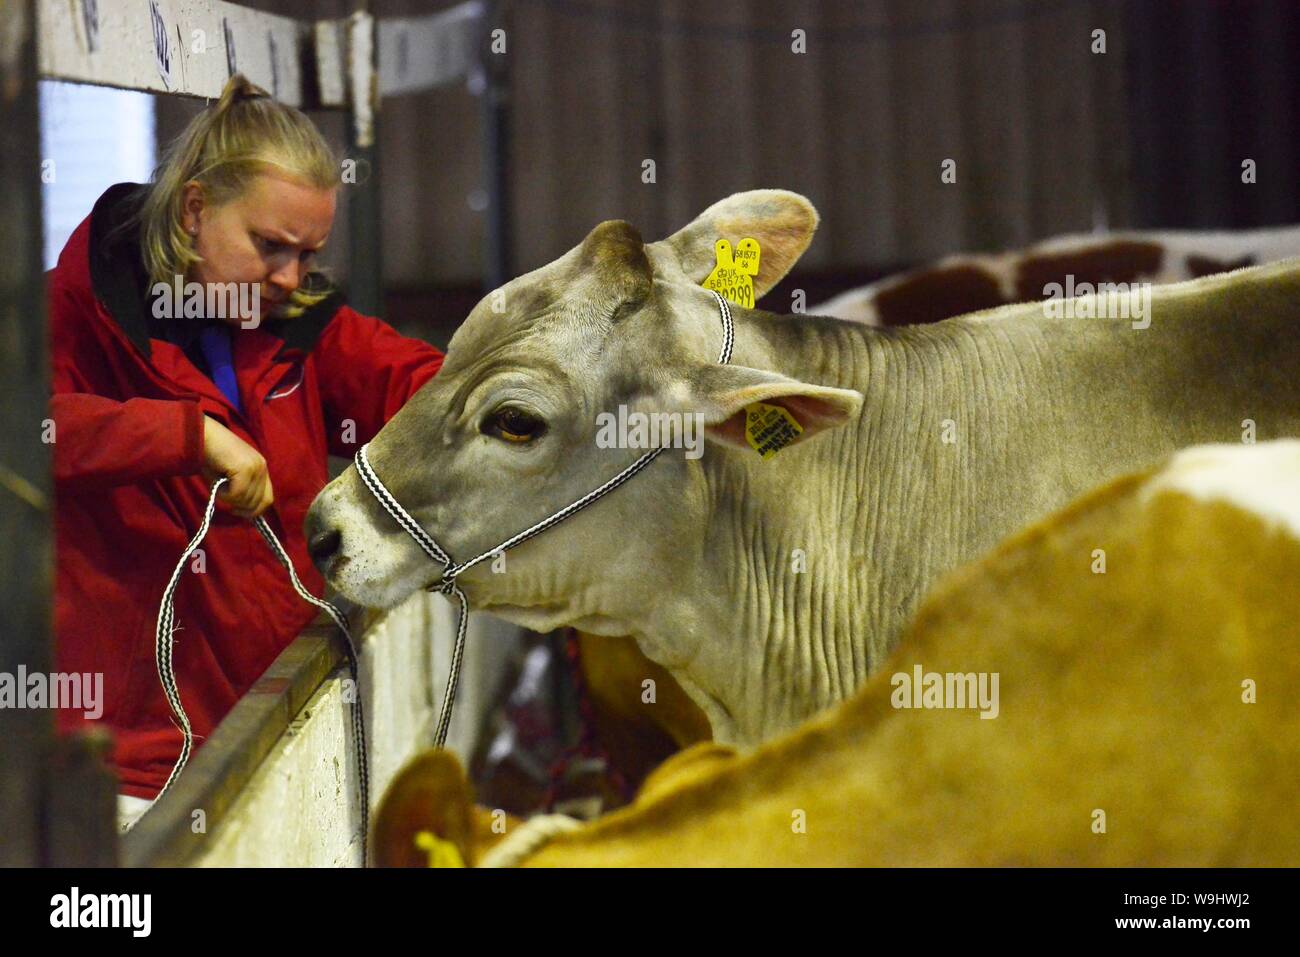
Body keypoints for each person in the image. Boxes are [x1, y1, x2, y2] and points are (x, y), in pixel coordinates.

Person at [46, 74, 445, 832]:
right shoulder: (65, 318)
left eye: (308, 253)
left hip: (281, 726)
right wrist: (184, 436)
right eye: (269, 246)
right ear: (195, 208)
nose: (290, 277)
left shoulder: (292, 324)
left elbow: (424, 389)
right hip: (134, 773)